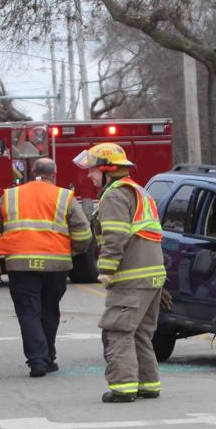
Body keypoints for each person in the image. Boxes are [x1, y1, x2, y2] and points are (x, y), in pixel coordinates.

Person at [0, 157, 92, 377]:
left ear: (32, 172)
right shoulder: (64, 197)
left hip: (20, 265)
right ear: (55, 173)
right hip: (56, 265)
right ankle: (47, 358)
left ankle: (38, 362)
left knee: (29, 312)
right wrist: (72, 251)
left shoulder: (11, 196)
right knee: (50, 311)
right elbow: (84, 234)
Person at [75, 142, 165, 403]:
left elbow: (115, 235)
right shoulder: (139, 192)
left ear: (107, 170)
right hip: (151, 276)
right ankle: (148, 384)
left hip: (131, 277)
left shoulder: (115, 195)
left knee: (119, 331)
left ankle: (123, 387)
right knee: (140, 333)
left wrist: (106, 268)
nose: (89, 175)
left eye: (93, 170)